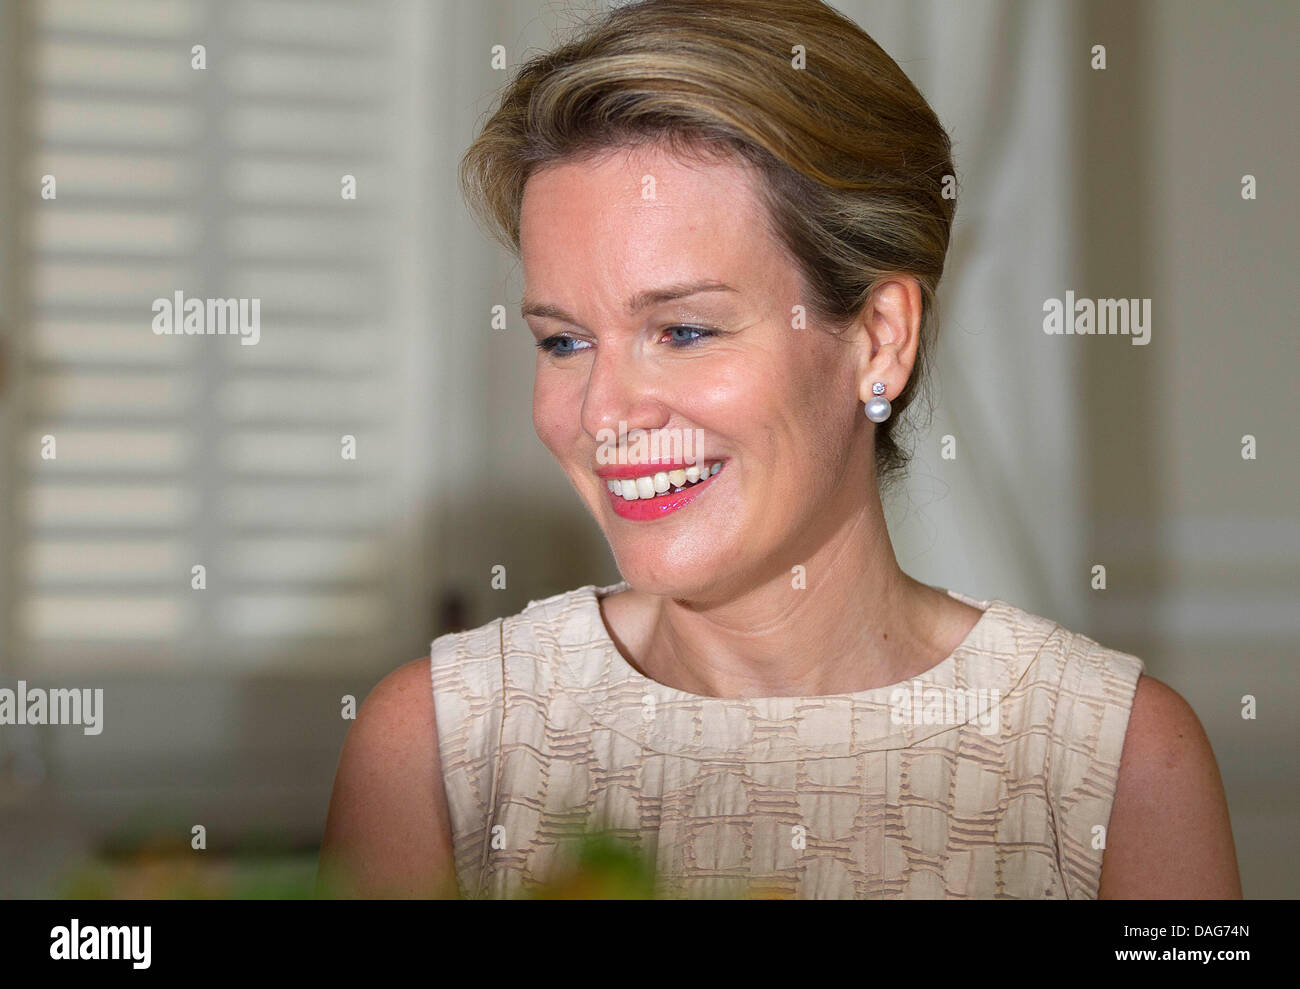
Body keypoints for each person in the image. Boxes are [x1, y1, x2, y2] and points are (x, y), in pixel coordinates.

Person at [319, 0, 1240, 899]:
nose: (604, 409)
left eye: (681, 330)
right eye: (563, 340)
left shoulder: (1115, 761)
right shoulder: (438, 749)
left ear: (879, 338)